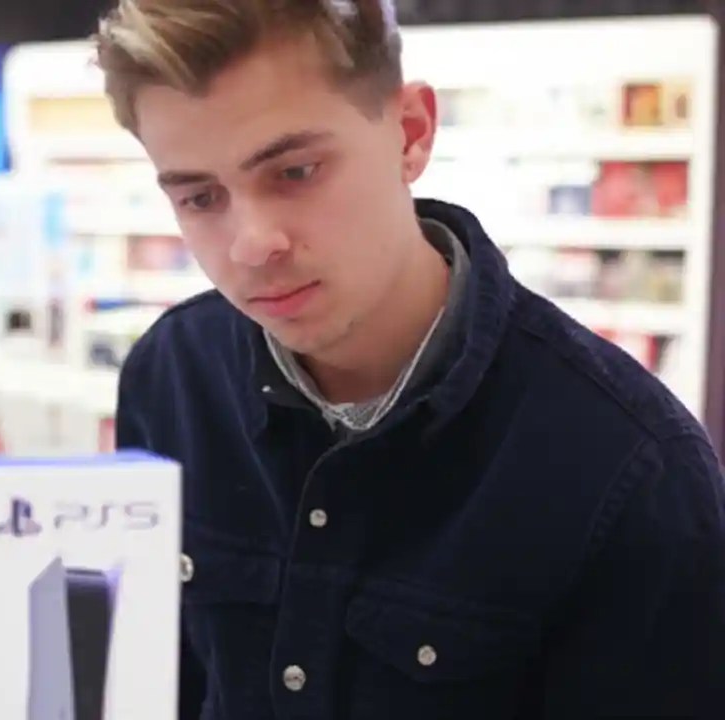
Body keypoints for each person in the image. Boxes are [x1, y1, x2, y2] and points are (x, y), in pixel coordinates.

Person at [94, 1, 725, 718]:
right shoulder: (171, 376)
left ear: (412, 133)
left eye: (296, 171)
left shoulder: (633, 468)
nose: (251, 243)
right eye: (200, 197)